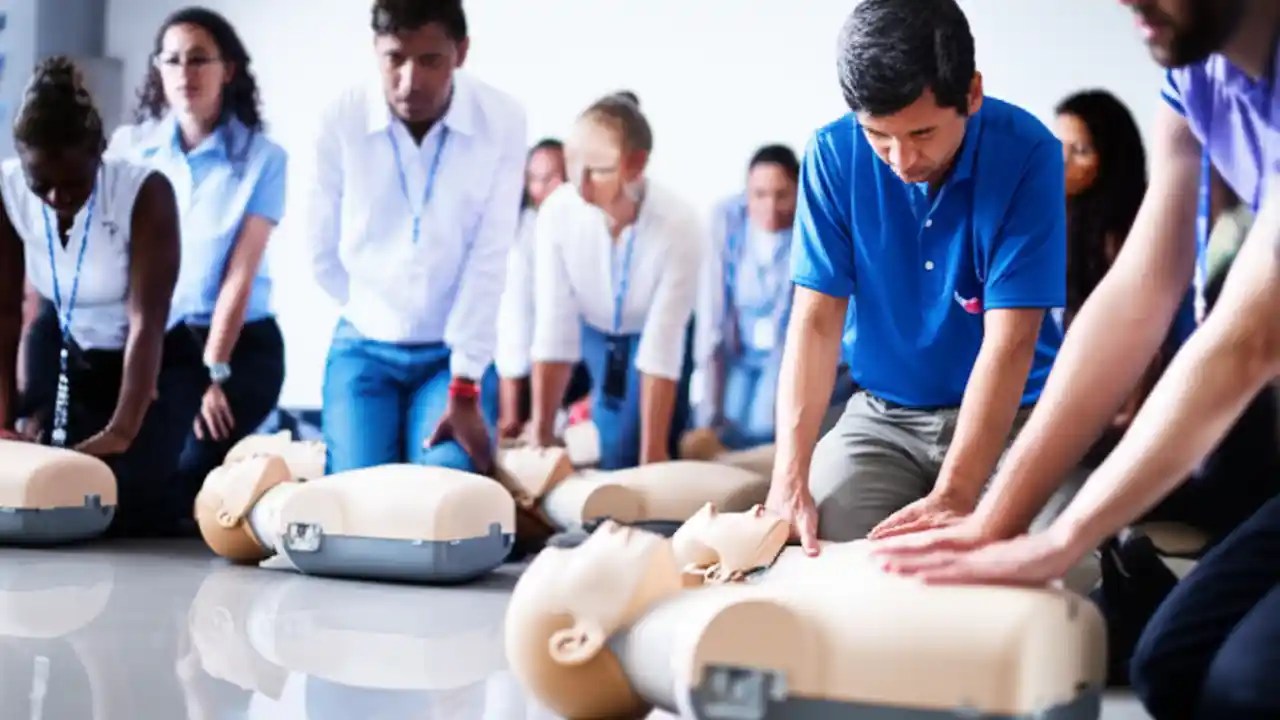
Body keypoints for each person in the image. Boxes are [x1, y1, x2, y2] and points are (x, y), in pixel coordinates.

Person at [874, 0, 1280, 716]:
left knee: (1243, 690)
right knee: (1166, 664)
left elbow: (1246, 340)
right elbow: (1135, 298)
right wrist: (994, 519)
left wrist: (1063, 539)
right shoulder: (1197, 77)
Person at [763, 0, 1067, 548]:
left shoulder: (1028, 154)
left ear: (971, 94)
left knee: (1047, 558)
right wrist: (788, 478)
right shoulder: (832, 155)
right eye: (879, 136)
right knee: (819, 541)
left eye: (922, 134)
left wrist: (955, 494)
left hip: (1019, 418)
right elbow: (816, 323)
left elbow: (1011, 341)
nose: (901, 161)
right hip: (885, 419)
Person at [306, 0, 526, 475]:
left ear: (460, 53)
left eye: (430, 61)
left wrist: (464, 383)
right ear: (375, 50)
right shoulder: (341, 117)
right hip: (363, 345)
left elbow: (489, 259)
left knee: (444, 486)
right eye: (395, 59)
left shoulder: (501, 120)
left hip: (450, 357)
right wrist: (376, 309)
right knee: (357, 495)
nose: (410, 81)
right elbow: (320, 250)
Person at [0, 57, 203, 536]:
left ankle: (183, 488)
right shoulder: (6, 191)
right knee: (47, 489)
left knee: (119, 501)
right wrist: (3, 424)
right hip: (71, 350)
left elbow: (147, 322)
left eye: (73, 183)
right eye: (40, 184)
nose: (55, 198)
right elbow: (5, 314)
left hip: (156, 361)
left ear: (100, 153)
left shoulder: (145, 192)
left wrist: (122, 431)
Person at [109, 7, 288, 509]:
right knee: (130, 481)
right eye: (172, 60)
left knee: (185, 479)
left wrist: (214, 373)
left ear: (227, 69)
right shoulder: (129, 150)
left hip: (238, 347)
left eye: (198, 59)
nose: (184, 73)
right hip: (158, 341)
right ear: (157, 69)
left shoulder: (263, 159)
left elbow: (239, 276)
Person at [528, 92, 702, 470]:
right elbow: (554, 328)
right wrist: (540, 435)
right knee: (612, 452)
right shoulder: (557, 212)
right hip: (595, 329)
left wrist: (653, 459)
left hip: (652, 331)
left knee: (643, 453)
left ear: (635, 165)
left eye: (597, 170)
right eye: (573, 163)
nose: (580, 182)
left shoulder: (680, 224)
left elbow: (662, 346)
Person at [694, 144, 801, 449]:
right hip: (738, 350)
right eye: (760, 195)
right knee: (726, 421)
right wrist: (706, 409)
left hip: (783, 352)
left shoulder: (809, 229)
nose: (770, 206)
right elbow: (712, 310)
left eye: (782, 195)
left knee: (762, 425)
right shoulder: (726, 220)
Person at [496, 138, 591, 440]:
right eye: (535, 178)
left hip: (581, 366)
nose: (543, 188)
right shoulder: (521, 234)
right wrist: (512, 413)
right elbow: (515, 325)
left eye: (553, 178)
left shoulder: (590, 226)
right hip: (523, 373)